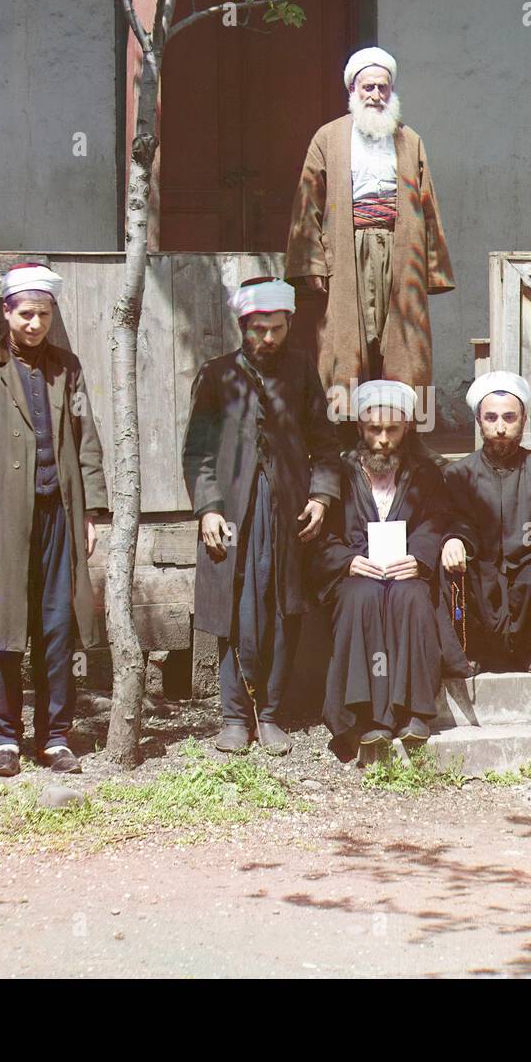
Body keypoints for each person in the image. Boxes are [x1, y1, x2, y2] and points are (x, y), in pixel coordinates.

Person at [0, 263, 108, 777]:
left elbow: (86, 438)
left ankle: (56, 737)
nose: (35, 324)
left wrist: (92, 511)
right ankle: (4, 739)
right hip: (1, 522)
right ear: (6, 312)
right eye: (26, 314)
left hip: (59, 515)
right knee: (3, 627)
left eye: (43, 314)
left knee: (57, 627)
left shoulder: (68, 367)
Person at [182, 278, 341, 755]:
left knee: (282, 609)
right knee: (234, 610)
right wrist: (208, 508)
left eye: (276, 329)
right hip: (232, 516)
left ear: (289, 324)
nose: (268, 339)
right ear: (243, 327)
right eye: (258, 330)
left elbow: (325, 445)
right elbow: (197, 453)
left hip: (286, 514)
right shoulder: (216, 376)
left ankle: (270, 714)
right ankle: (234, 717)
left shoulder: (301, 373)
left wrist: (321, 497)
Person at [285, 46, 455, 417]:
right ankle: (340, 433)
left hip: (400, 248)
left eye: (383, 88)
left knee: (406, 344)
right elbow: (307, 203)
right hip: (347, 251)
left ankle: (410, 433)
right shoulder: (328, 138)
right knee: (343, 342)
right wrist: (312, 262)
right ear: (352, 91)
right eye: (367, 88)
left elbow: (426, 204)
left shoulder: (410, 140)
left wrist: (431, 265)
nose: (376, 96)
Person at [315, 380, 466, 751]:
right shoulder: (338, 474)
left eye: (392, 430)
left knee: (412, 597)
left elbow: (438, 521)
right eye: (373, 429)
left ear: (407, 428)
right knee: (361, 598)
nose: (383, 439)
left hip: (405, 571)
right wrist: (348, 562)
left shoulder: (426, 474)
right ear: (359, 427)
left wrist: (418, 558)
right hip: (356, 574)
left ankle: (413, 711)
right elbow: (321, 537)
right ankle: (366, 716)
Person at [441, 372, 531, 675]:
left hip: (527, 567)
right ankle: (471, 652)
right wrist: (452, 539)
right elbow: (447, 516)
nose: (500, 428)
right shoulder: (458, 474)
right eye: (491, 418)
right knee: (449, 574)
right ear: (479, 422)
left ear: (523, 420)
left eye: (509, 417)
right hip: (478, 567)